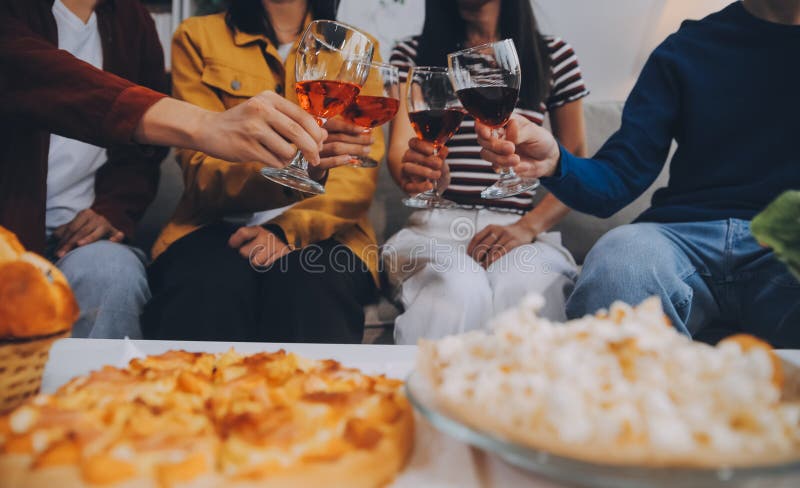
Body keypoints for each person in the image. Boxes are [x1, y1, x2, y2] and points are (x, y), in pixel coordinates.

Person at [477, 0, 800, 346]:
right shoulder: (687, 48)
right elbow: (616, 179)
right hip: (678, 238)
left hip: (786, 242)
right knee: (618, 265)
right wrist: (556, 160)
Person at [141, 0, 384, 343]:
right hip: (212, 225)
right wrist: (288, 167)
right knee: (206, 286)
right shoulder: (197, 37)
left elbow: (355, 177)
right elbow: (202, 173)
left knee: (311, 281)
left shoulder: (357, 47)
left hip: (328, 232)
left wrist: (287, 231)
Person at [383, 0, 589, 344]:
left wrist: (529, 226)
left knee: (529, 291)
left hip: (518, 228)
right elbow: (401, 157)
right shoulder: (411, 54)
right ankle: (424, 395)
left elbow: (576, 164)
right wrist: (428, 174)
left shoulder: (553, 55)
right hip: (436, 224)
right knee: (456, 288)